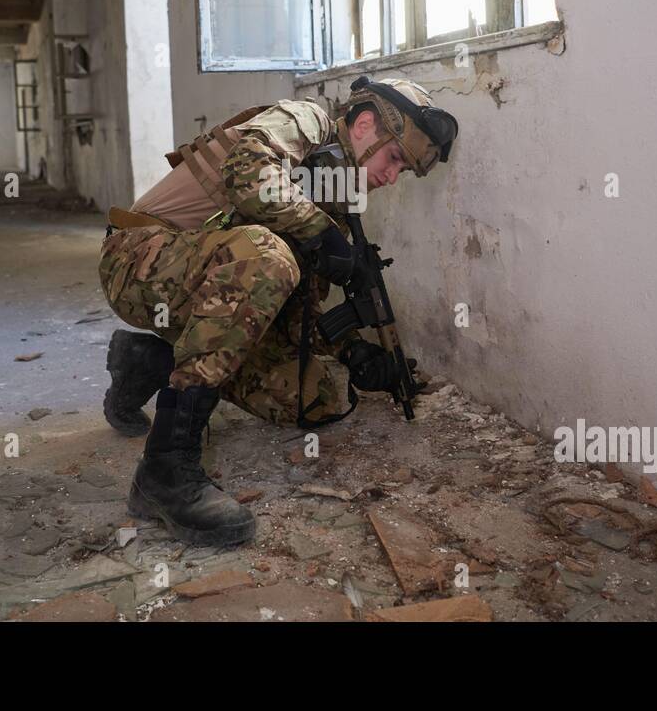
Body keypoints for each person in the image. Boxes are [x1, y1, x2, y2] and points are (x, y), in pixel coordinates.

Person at [97, 76, 458, 545]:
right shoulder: (306, 120)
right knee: (266, 257)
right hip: (136, 259)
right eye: (394, 159)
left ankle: (150, 362)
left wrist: (353, 351)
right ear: (365, 124)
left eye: (403, 171)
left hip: (190, 282)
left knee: (308, 398)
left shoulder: (331, 187)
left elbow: (295, 310)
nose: (392, 177)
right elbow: (248, 173)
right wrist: (320, 233)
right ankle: (165, 467)